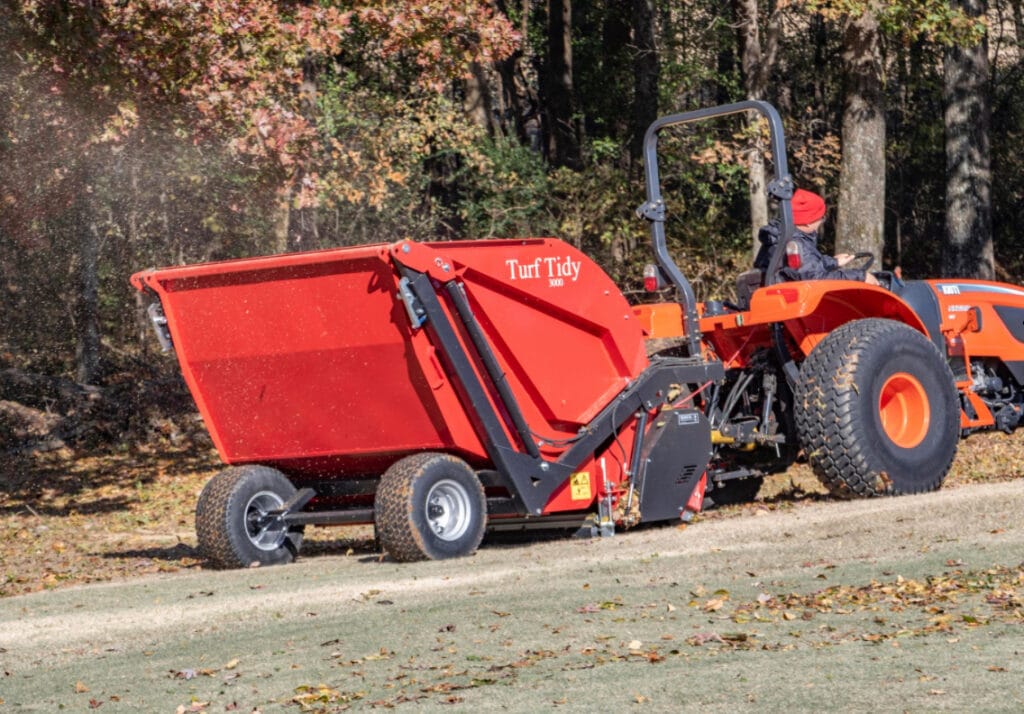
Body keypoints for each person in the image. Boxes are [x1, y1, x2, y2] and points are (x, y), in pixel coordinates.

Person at [754, 188, 879, 286]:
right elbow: (814, 278)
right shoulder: (794, 244)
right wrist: (860, 276)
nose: (821, 222)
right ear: (808, 221)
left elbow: (806, 267)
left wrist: (833, 262)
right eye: (821, 218)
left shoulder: (785, 236)